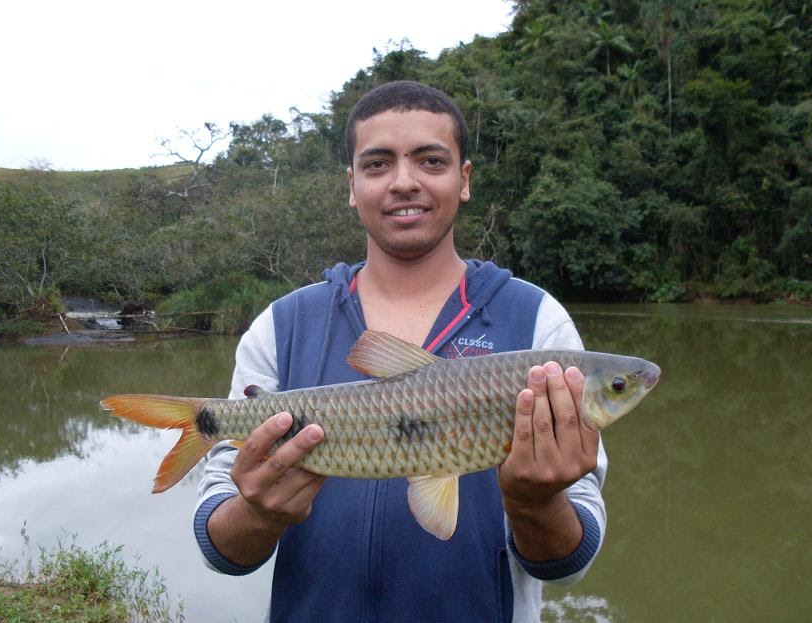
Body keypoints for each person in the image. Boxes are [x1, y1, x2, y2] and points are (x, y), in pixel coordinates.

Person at [194, 80, 607, 622]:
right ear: (352, 185)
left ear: (464, 181)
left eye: (431, 161)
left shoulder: (537, 323)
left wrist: (536, 503)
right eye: (378, 164)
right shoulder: (282, 325)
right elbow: (221, 550)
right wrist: (258, 513)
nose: (404, 182)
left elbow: (570, 561)